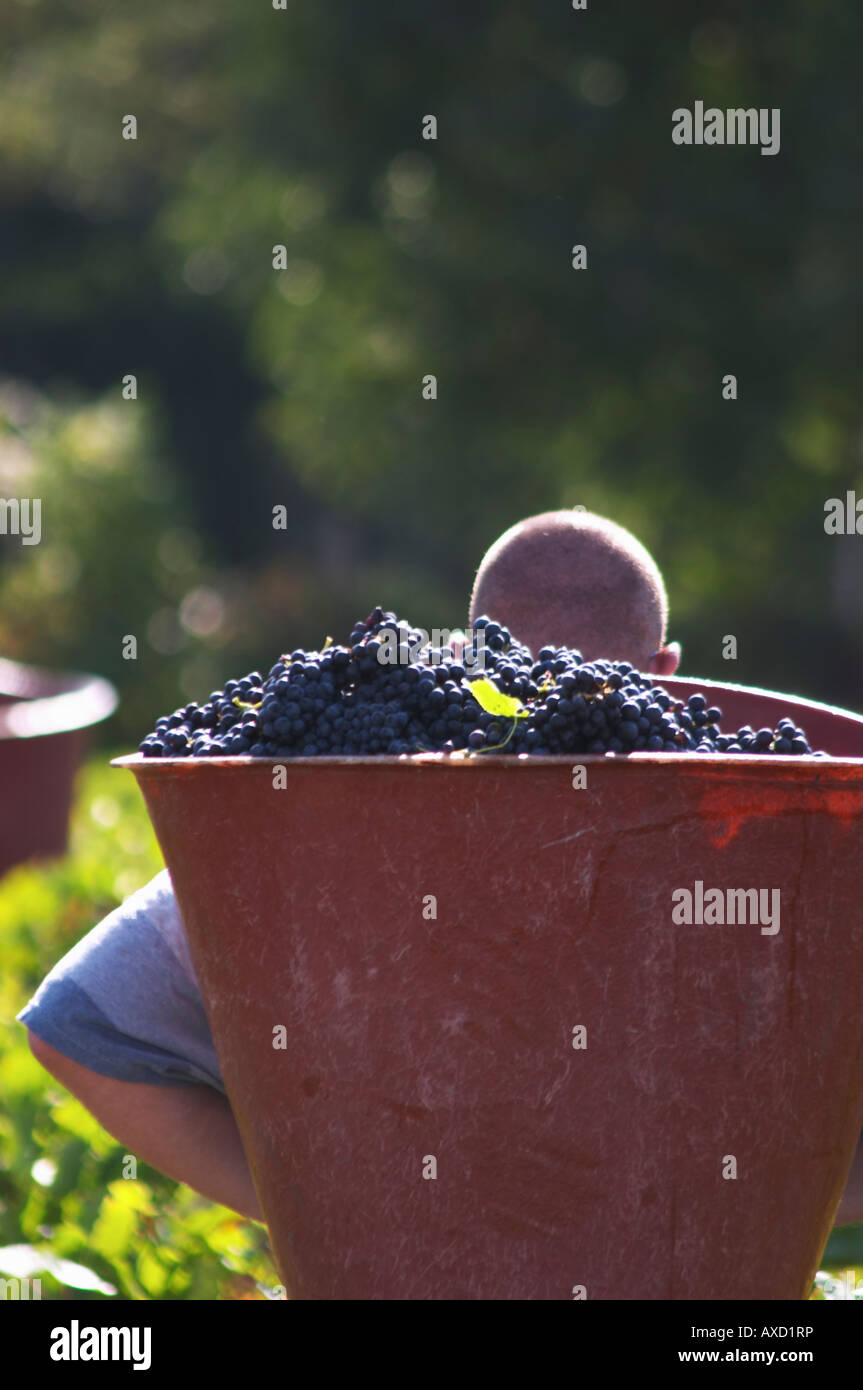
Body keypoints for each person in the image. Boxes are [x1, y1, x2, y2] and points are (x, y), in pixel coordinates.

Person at [18, 508, 863, 1228]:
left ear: (468, 657)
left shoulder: (332, 822)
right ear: (665, 677)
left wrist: (322, 1216)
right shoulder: (772, 841)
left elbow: (77, 1028)